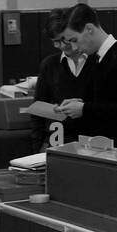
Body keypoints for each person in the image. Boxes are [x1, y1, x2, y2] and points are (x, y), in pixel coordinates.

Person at [54, 3, 117, 149]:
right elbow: (103, 101)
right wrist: (78, 103)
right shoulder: (96, 59)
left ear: (89, 29)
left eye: (74, 40)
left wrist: (85, 109)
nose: (74, 47)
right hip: (98, 150)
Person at [30, 10, 89, 151]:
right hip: (59, 143)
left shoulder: (96, 62)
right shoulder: (50, 65)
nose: (62, 46)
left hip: (92, 143)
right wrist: (37, 147)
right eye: (56, 42)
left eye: (64, 39)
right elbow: (38, 109)